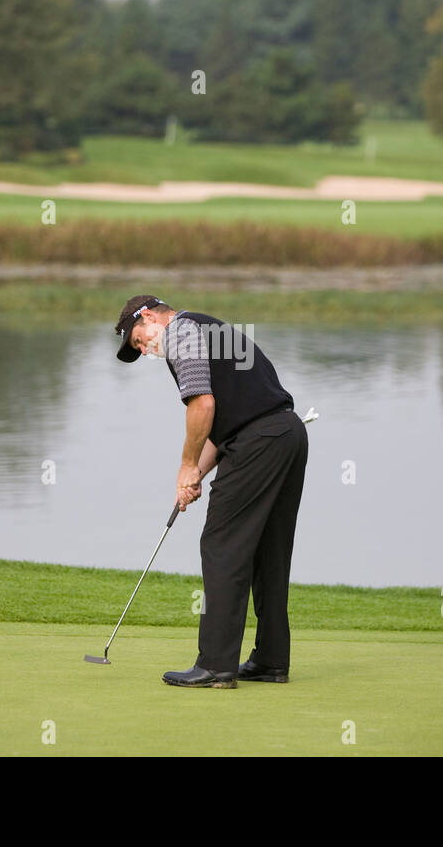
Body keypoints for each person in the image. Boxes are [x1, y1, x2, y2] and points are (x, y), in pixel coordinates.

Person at [114, 295, 308, 688]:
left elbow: (202, 405)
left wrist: (185, 466)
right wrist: (194, 475)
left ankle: (216, 665)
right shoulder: (207, 326)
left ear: (149, 316)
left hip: (258, 442)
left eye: (139, 340)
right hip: (287, 433)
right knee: (268, 551)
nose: (146, 350)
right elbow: (228, 423)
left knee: (223, 545)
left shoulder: (179, 333)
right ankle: (271, 660)